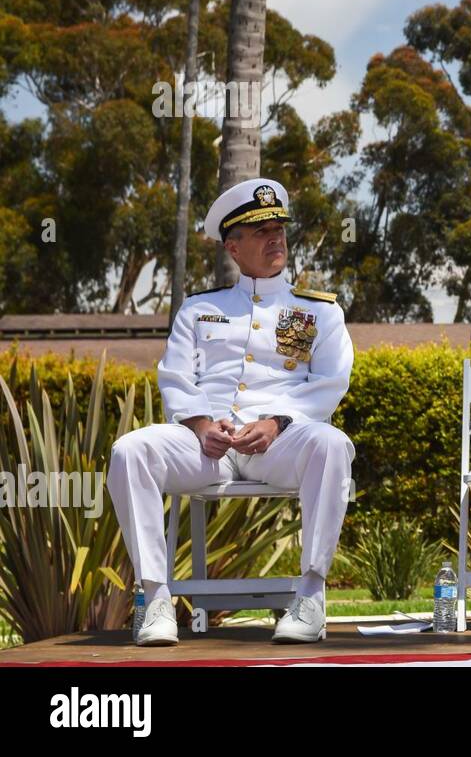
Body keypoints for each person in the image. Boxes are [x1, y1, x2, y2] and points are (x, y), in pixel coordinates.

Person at [107, 178, 355, 646]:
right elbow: (176, 378)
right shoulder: (200, 309)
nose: (275, 237)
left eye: (279, 227)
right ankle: (156, 597)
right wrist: (200, 425)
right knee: (128, 451)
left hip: (280, 442)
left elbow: (329, 383)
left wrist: (278, 420)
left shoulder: (318, 312)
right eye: (261, 230)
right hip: (209, 445)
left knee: (333, 443)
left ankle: (310, 594)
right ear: (233, 246)